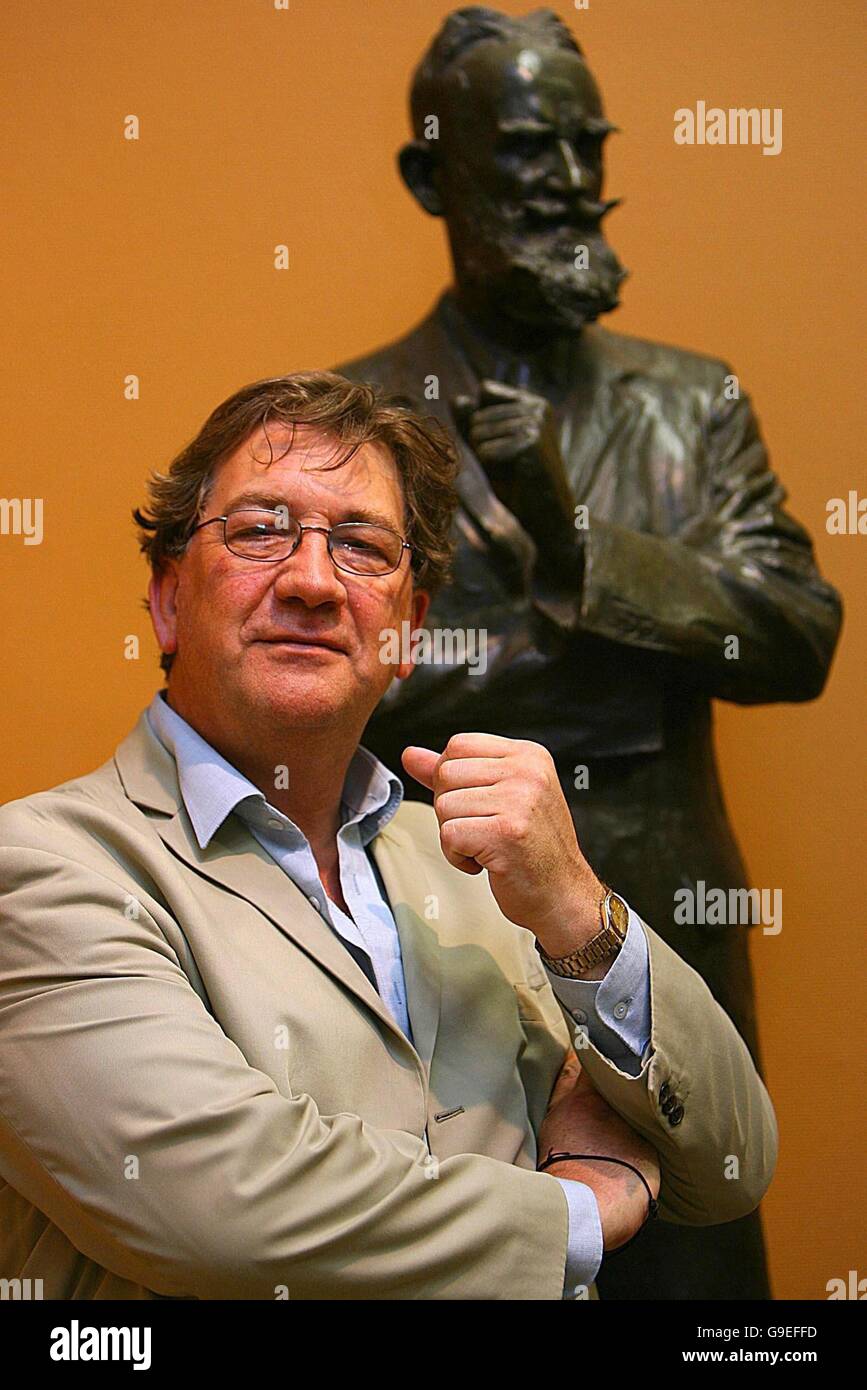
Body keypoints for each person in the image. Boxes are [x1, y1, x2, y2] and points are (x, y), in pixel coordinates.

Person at [0, 372, 776, 1300]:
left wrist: (577, 911)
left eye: (362, 547)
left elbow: (732, 1164)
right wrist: (578, 1210)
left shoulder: (479, 866)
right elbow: (224, 1207)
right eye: (259, 532)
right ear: (168, 599)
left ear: (408, 630)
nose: (312, 581)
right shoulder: (42, 869)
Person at [335, 6, 842, 1299]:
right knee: (470, 1251)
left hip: (667, 908)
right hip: (440, 913)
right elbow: (338, 678)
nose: (566, 182)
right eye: (523, 152)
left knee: (697, 1273)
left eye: (585, 147)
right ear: (429, 175)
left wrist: (574, 550)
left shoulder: (692, 402)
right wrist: (631, 662)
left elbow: (795, 634)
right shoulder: (352, 418)